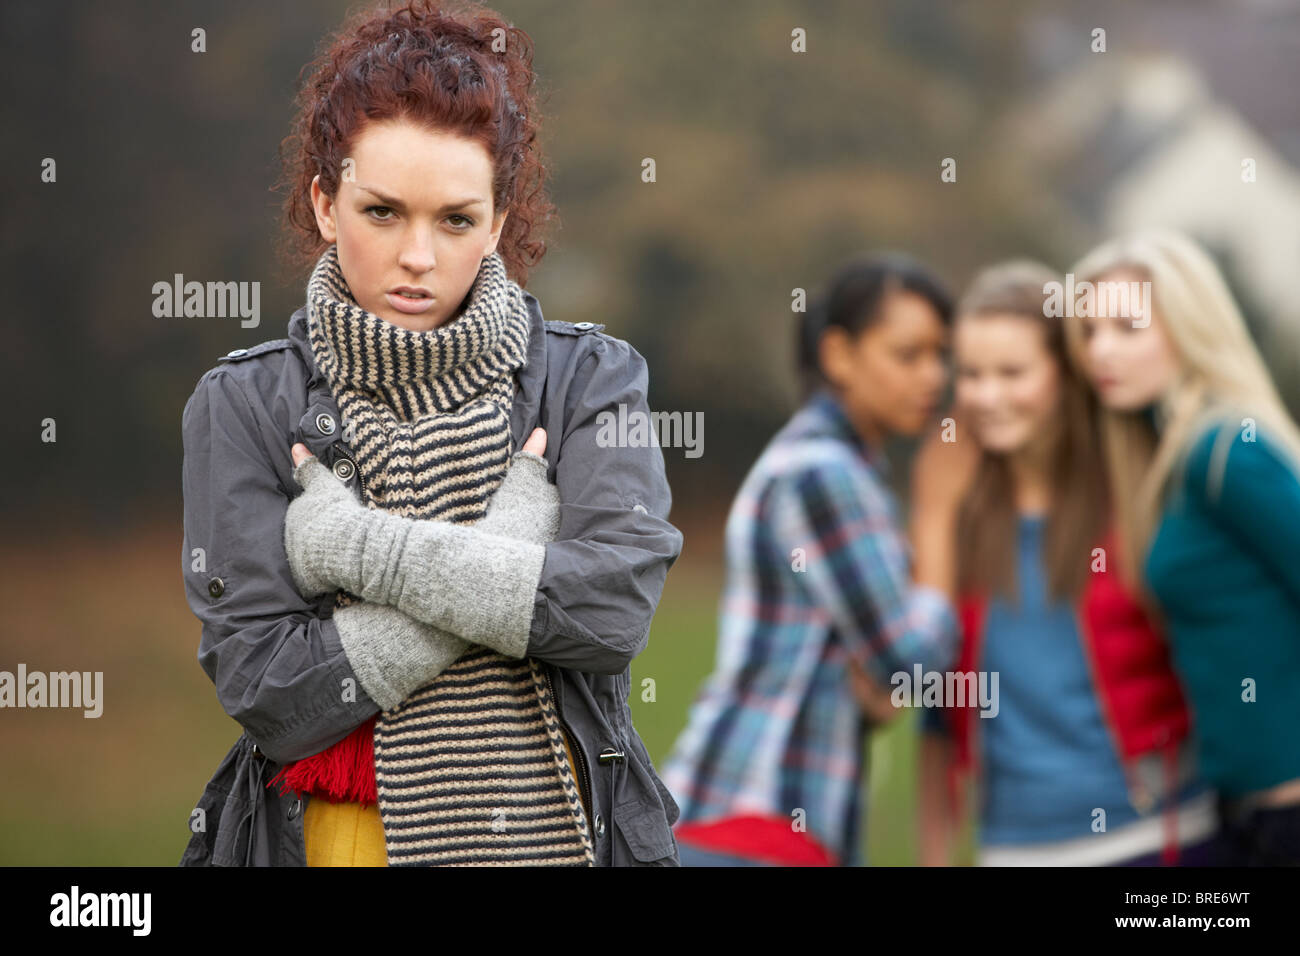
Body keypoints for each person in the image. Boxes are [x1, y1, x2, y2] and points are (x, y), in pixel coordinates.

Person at [178, 0, 683, 867]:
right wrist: (506, 554)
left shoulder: (590, 380)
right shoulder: (244, 404)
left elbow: (609, 615)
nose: (418, 255)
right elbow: (269, 687)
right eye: (382, 212)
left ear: (494, 223)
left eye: (454, 219)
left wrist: (355, 547)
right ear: (326, 204)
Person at [659, 252, 965, 866]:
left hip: (754, 825)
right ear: (838, 355)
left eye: (940, 354)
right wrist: (938, 518)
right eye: (908, 355)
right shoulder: (823, 473)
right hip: (751, 825)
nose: (932, 377)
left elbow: (877, 675)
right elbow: (910, 661)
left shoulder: (841, 468)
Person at [916, 260, 1221, 867]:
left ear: (1067, 374)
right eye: (971, 375)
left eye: (1012, 372)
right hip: (1012, 849)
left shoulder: (1137, 496)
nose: (986, 395)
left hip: (1156, 843)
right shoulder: (956, 511)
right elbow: (935, 708)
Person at [1063, 228, 1300, 865]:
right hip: (1242, 813)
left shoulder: (1225, 450)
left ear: (1189, 326)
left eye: (1128, 328)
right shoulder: (1170, 461)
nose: (1101, 352)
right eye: (1089, 333)